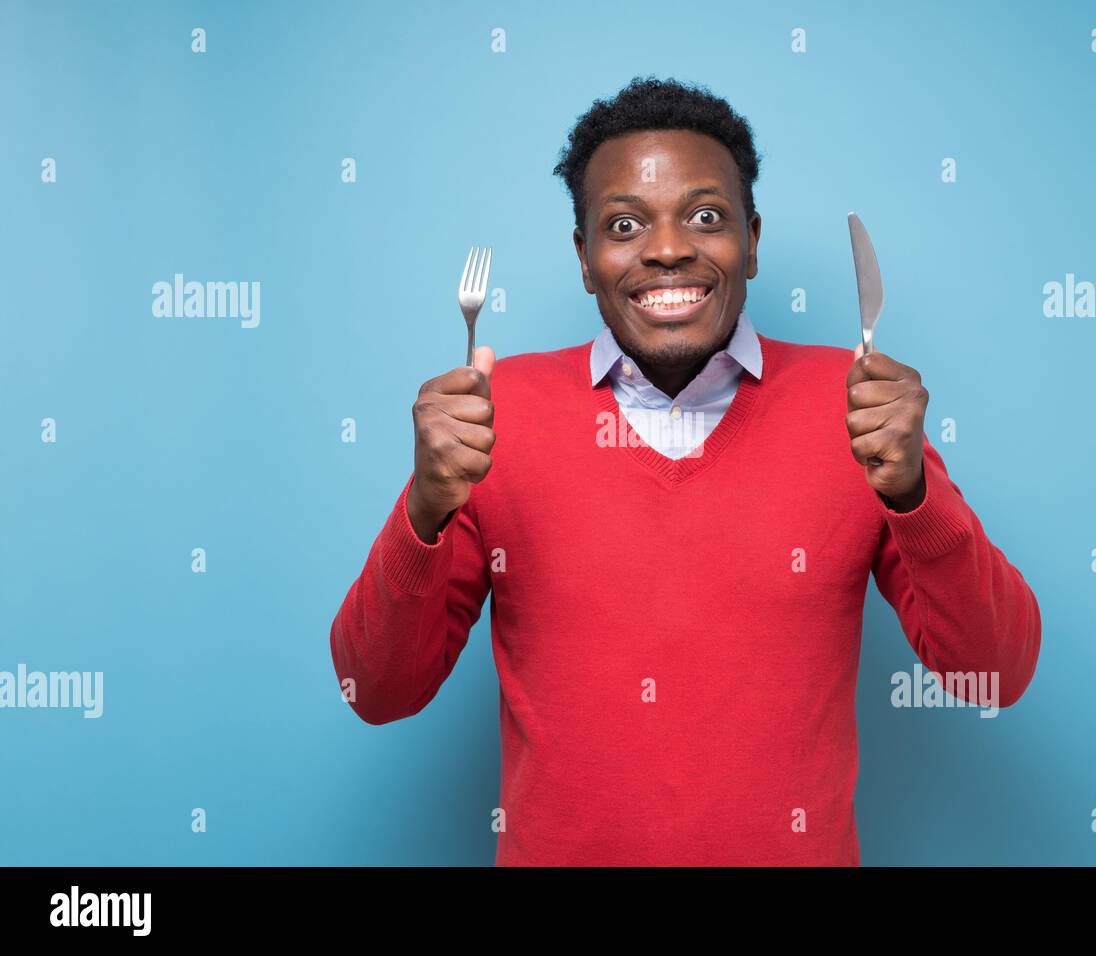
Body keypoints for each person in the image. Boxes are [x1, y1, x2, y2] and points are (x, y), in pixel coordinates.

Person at [330, 75, 1041, 866]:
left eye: (706, 216)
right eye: (625, 223)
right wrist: (423, 511)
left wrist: (915, 493)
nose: (668, 248)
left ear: (753, 239)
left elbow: (995, 674)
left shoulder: (859, 408)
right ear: (585, 258)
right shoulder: (494, 416)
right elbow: (378, 690)